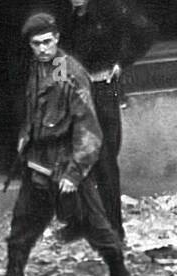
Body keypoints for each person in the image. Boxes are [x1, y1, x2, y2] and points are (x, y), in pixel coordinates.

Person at [0, 11, 131, 276]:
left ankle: (120, 274)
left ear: (57, 38)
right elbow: (35, 109)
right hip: (39, 161)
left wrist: (75, 172)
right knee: (22, 223)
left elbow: (88, 129)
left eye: (47, 42)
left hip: (67, 160)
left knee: (95, 225)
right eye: (36, 44)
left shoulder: (71, 73)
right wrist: (24, 137)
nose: (43, 49)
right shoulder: (36, 67)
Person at [56, 0, 156, 242]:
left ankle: (113, 229)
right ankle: (78, 222)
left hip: (103, 90)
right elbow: (58, 51)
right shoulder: (65, 16)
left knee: (105, 160)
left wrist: (122, 62)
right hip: (73, 92)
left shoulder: (109, 10)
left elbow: (145, 31)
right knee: (74, 157)